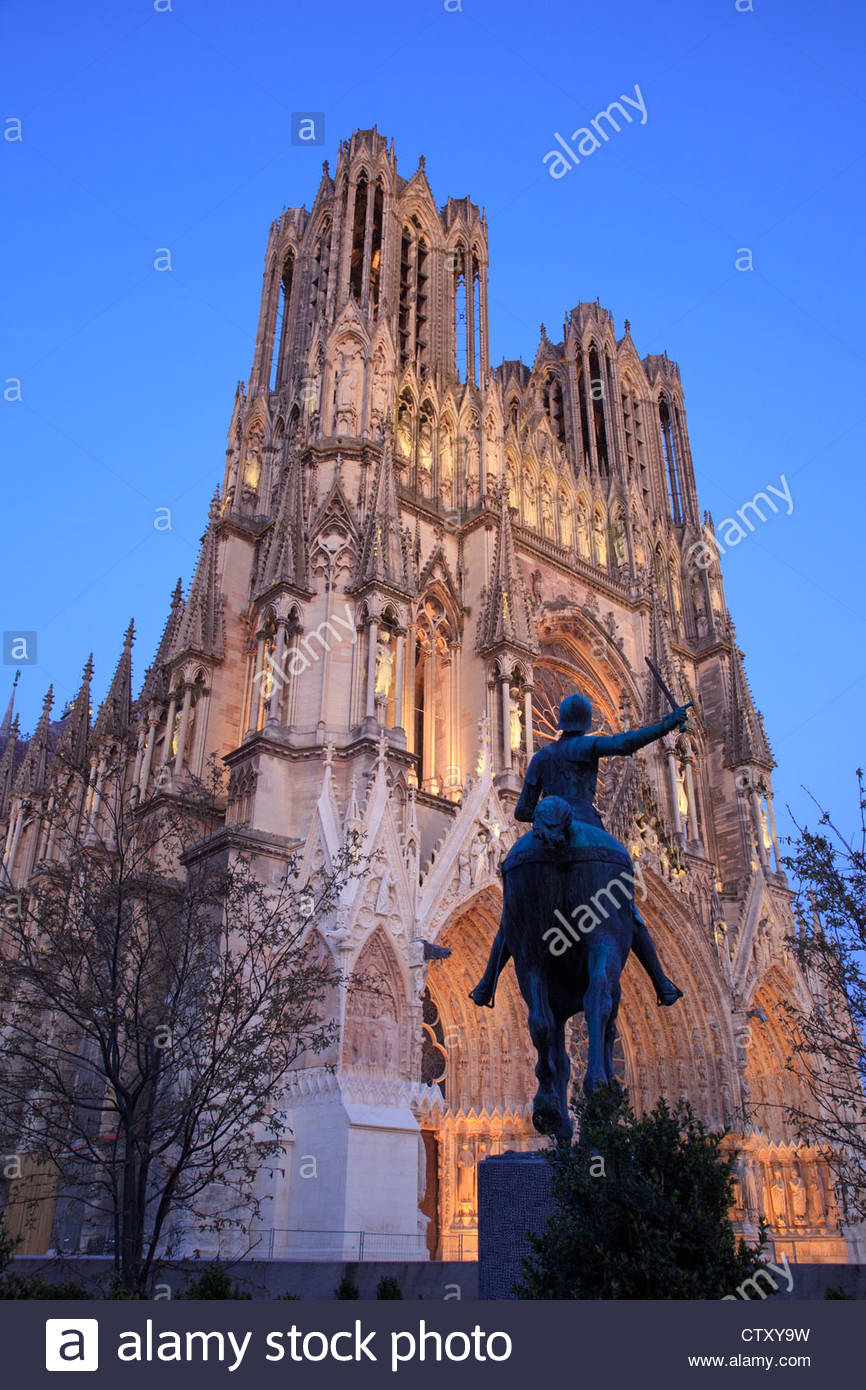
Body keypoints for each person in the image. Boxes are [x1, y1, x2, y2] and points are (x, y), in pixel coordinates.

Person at [469, 691, 689, 1008]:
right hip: (588, 826)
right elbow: (626, 743)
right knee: (625, 904)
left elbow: (521, 812)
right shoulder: (588, 746)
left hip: (546, 833)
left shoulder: (541, 758)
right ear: (586, 724)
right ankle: (661, 981)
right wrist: (667, 724)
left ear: (560, 722)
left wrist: (547, 815)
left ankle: (487, 982)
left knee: (513, 916)